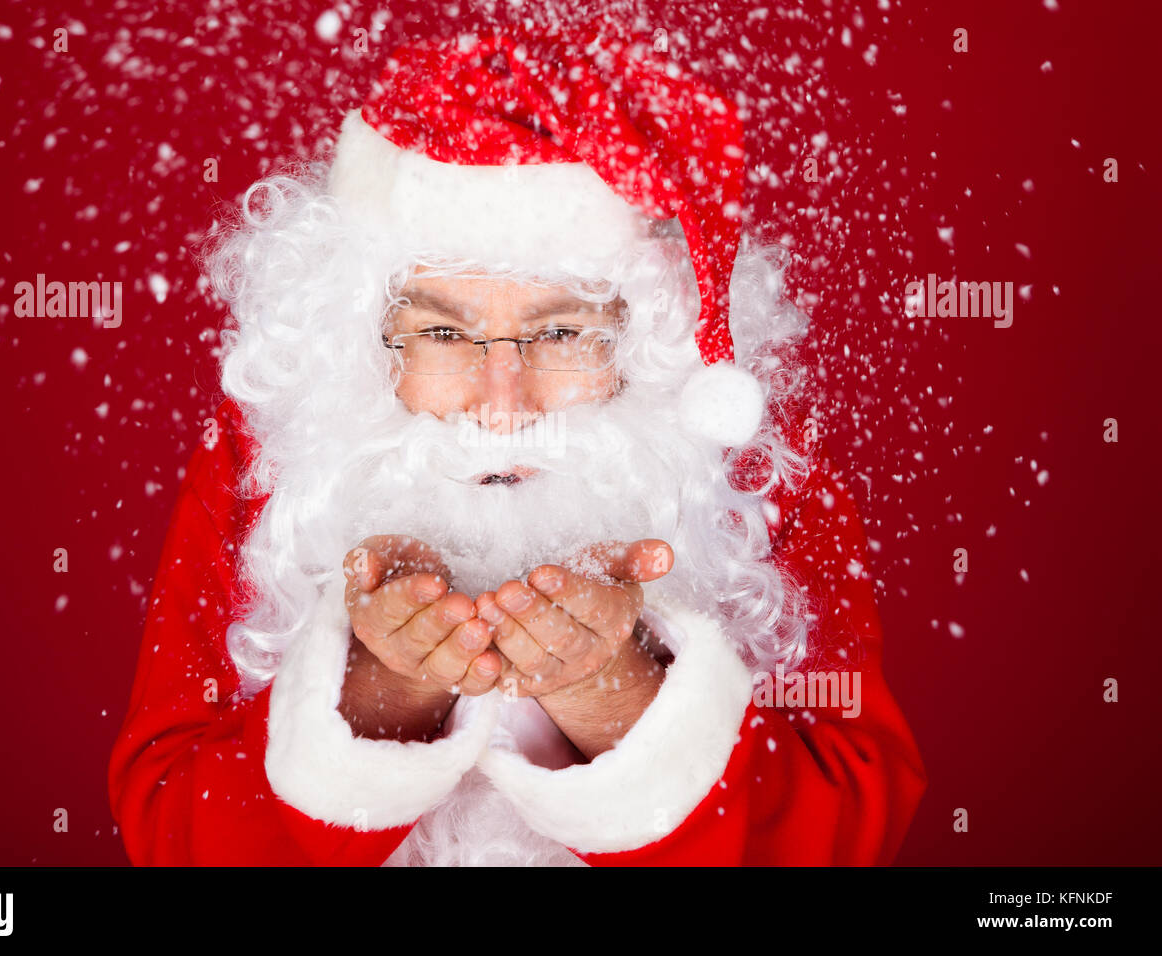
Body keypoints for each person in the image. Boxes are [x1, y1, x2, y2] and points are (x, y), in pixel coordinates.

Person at [108, 24, 927, 866]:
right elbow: (170, 827)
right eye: (442, 333)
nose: (503, 406)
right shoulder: (272, 458)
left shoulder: (750, 471)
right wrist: (386, 692)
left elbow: (852, 827)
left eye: (562, 330)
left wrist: (611, 694)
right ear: (363, 335)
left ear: (644, 338)